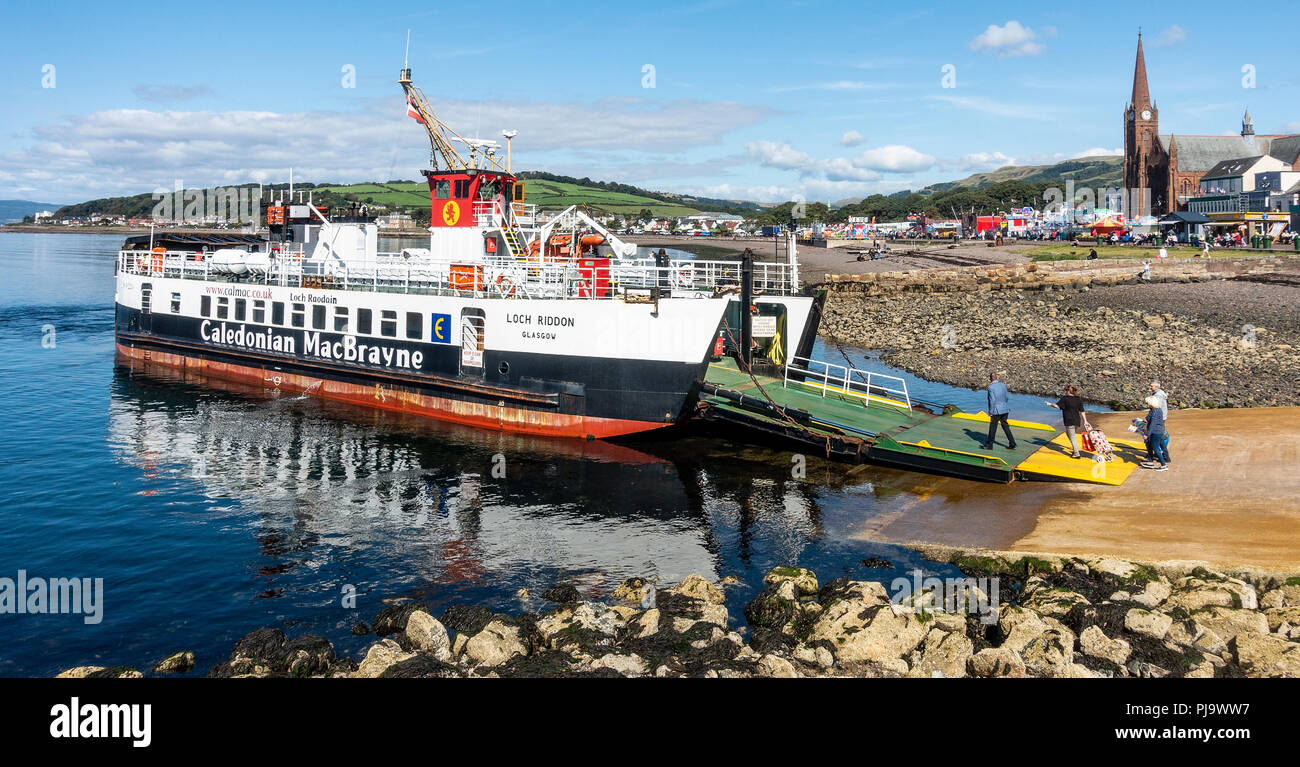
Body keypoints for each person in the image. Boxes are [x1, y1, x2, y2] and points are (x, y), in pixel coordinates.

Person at [1045, 384, 1088, 458]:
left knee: (1072, 437)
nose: (1065, 392)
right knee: (1070, 435)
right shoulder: (1078, 399)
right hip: (1077, 421)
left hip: (1069, 420)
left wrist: (1049, 404)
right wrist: (1085, 421)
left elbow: (1056, 406)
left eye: (1066, 390)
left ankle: (1076, 453)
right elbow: (1082, 411)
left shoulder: (1065, 398)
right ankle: (1075, 449)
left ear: (1068, 391)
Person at [981, 372, 1017, 450]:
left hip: (996, 410)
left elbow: (992, 400)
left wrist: (990, 411)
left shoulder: (990, 387)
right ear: (997, 378)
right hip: (1005, 408)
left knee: (993, 428)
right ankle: (1012, 443)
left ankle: (989, 445)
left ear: (990, 379)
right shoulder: (1003, 385)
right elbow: (1007, 397)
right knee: (1005, 426)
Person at [1141, 395, 1170, 471]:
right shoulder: (1157, 410)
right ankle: (1150, 462)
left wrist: (1147, 434)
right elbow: (1150, 419)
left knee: (1156, 448)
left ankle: (1163, 465)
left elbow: (1153, 424)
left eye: (1148, 403)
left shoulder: (1154, 412)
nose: (1148, 404)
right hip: (1159, 431)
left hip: (1156, 432)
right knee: (1150, 445)